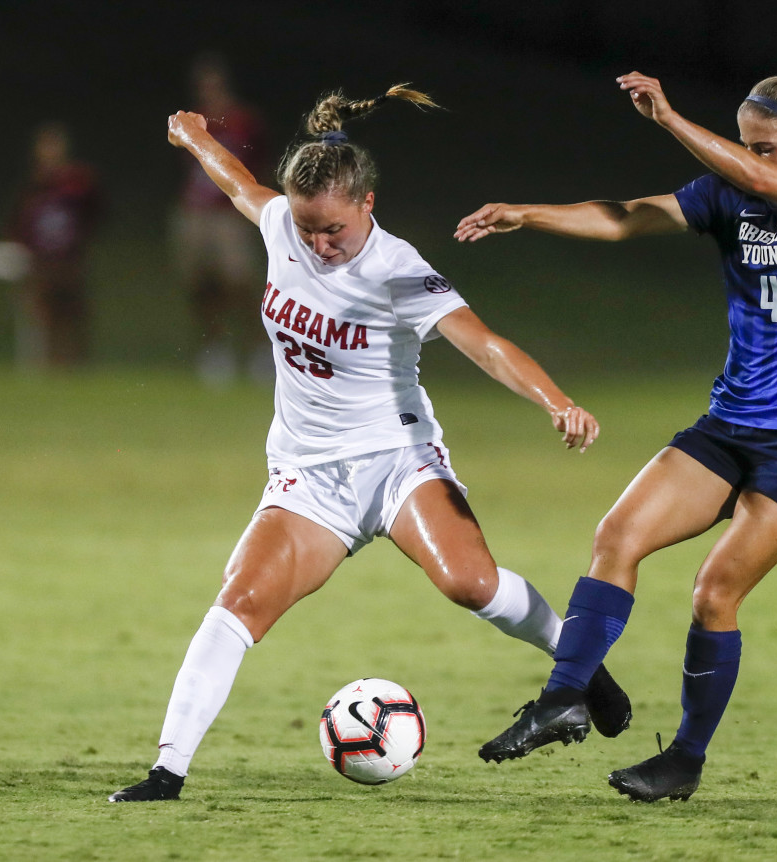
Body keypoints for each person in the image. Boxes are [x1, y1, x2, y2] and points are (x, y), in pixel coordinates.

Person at [109, 83, 632, 802]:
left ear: (367, 206)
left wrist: (556, 400)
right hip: (308, 477)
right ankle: (166, 771)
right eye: (307, 227)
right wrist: (194, 135)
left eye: (334, 230)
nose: (319, 244)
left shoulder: (399, 270)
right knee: (238, 604)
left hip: (398, 462)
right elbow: (239, 183)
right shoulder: (282, 227)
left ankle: (580, 667)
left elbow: (481, 344)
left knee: (469, 583)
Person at [455, 71, 777, 802]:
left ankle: (683, 761)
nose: (751, 159)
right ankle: (563, 700)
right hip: (729, 425)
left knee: (714, 593)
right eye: (749, 145)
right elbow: (627, 216)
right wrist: (528, 214)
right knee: (617, 536)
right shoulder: (731, 193)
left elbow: (751, 174)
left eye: (768, 147)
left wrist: (669, 119)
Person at [172, 53, 270, 385]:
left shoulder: (243, 120)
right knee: (201, 285)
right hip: (196, 210)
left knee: (240, 281)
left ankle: (259, 347)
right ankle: (214, 349)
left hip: (231, 211)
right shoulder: (193, 121)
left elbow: (261, 159)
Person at [8, 122, 102, 366]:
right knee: (43, 315)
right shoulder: (32, 185)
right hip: (42, 260)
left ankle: (74, 365)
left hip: (69, 258)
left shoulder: (76, 181)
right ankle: (49, 366)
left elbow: (94, 210)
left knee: (72, 315)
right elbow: (19, 221)